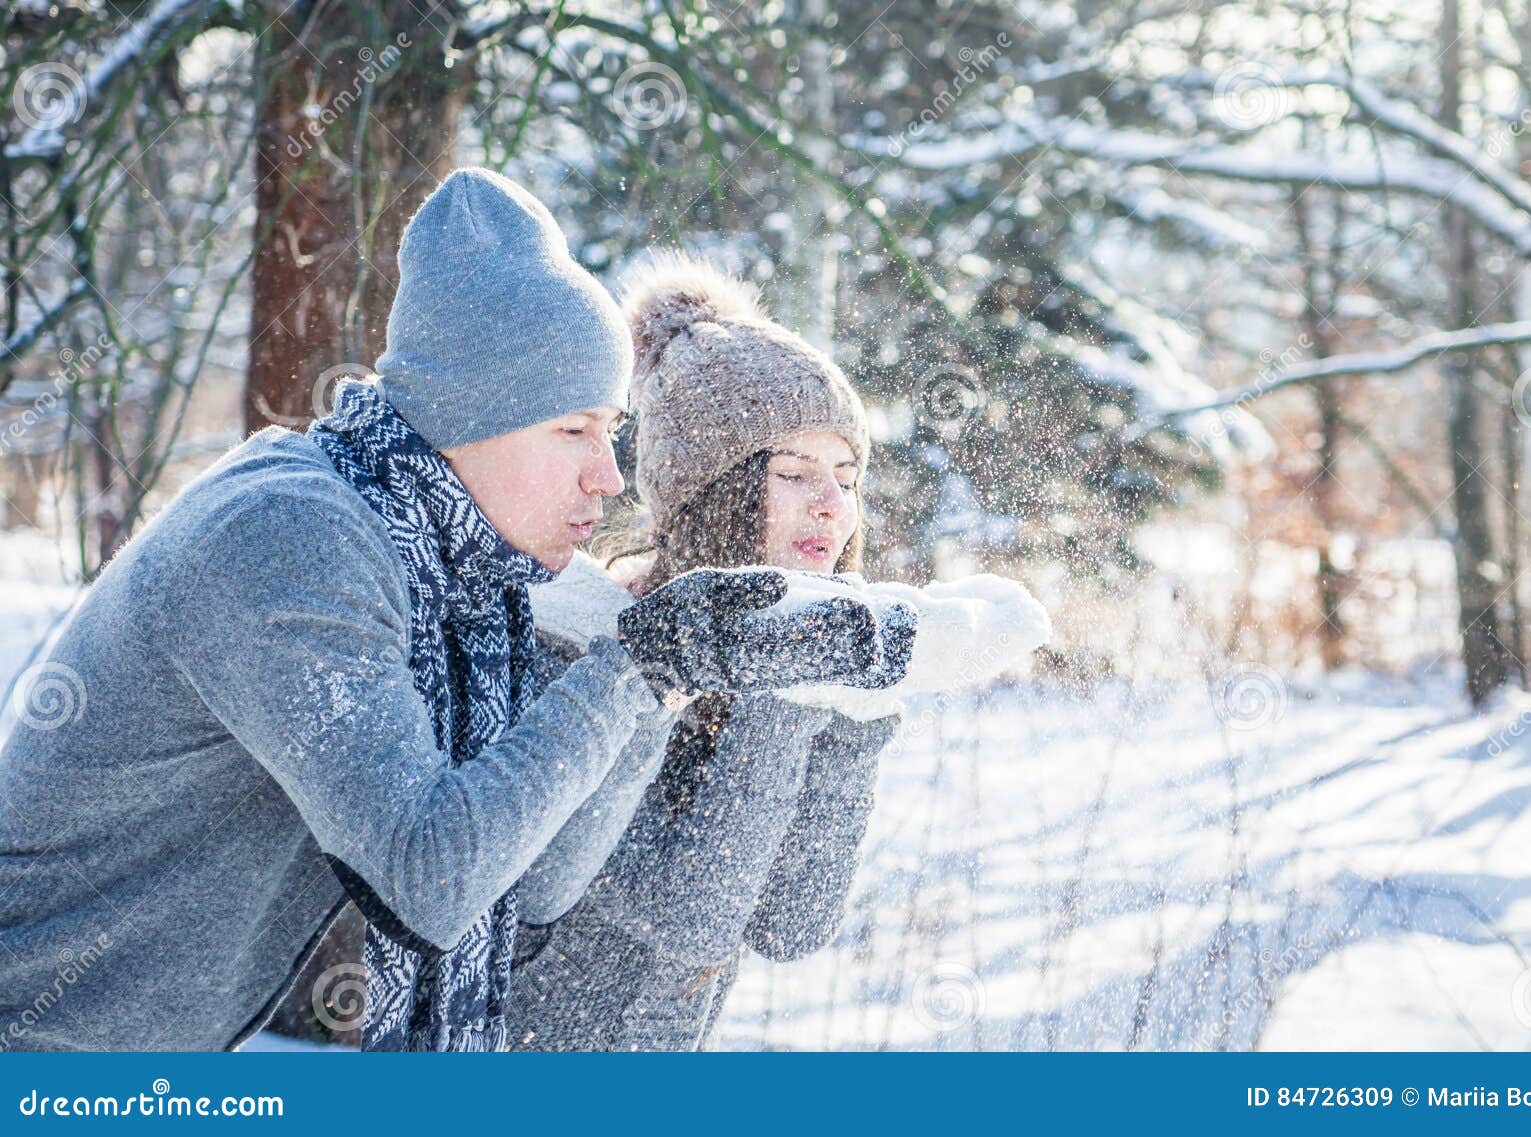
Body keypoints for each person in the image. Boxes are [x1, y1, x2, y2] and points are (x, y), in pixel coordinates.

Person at [0, 172, 913, 1053]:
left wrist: (654, 683)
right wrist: (638, 669)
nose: (608, 476)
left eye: (610, 431)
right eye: (573, 430)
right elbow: (430, 878)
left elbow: (537, 885)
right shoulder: (289, 537)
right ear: (469, 418)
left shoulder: (454, 568)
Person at [501, 256, 1051, 1050]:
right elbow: (691, 920)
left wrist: (853, 699)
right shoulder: (598, 658)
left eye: (847, 479)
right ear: (708, 499)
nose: (831, 505)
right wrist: (784, 681)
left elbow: (794, 924)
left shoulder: (810, 645)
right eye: (794, 474)